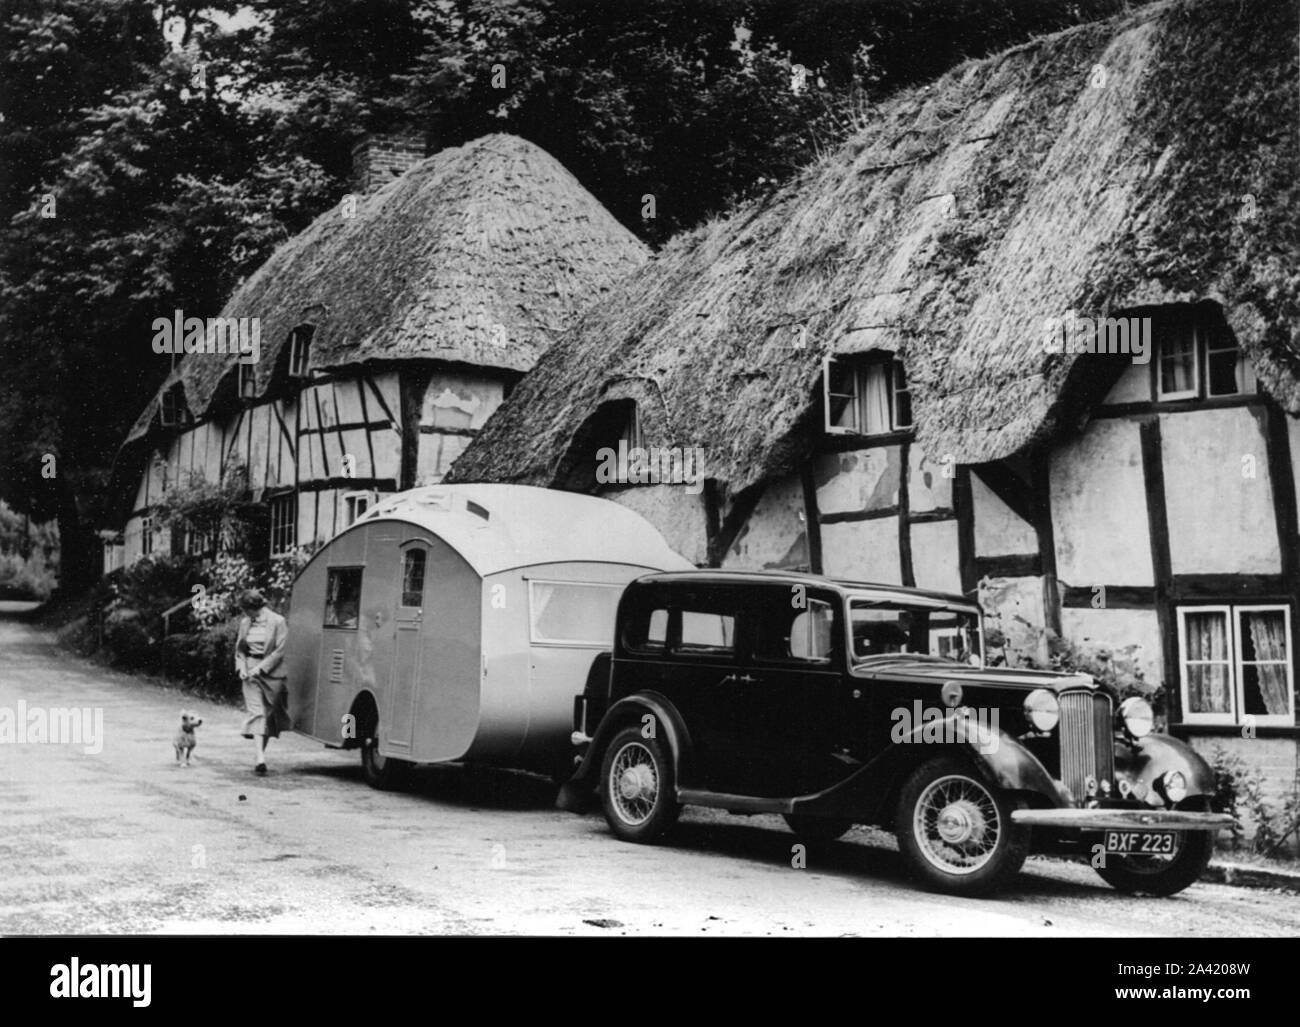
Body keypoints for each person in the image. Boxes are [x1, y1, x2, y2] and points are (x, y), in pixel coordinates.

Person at [234, 589, 289, 775]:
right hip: (250, 670)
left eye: (246, 610)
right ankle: (260, 759)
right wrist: (242, 667)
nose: (245, 614)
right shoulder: (245, 623)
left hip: (271, 673)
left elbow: (280, 650)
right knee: (257, 712)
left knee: (268, 714)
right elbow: (240, 649)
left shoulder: (278, 621)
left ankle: (259, 754)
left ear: (254, 607)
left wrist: (262, 668)